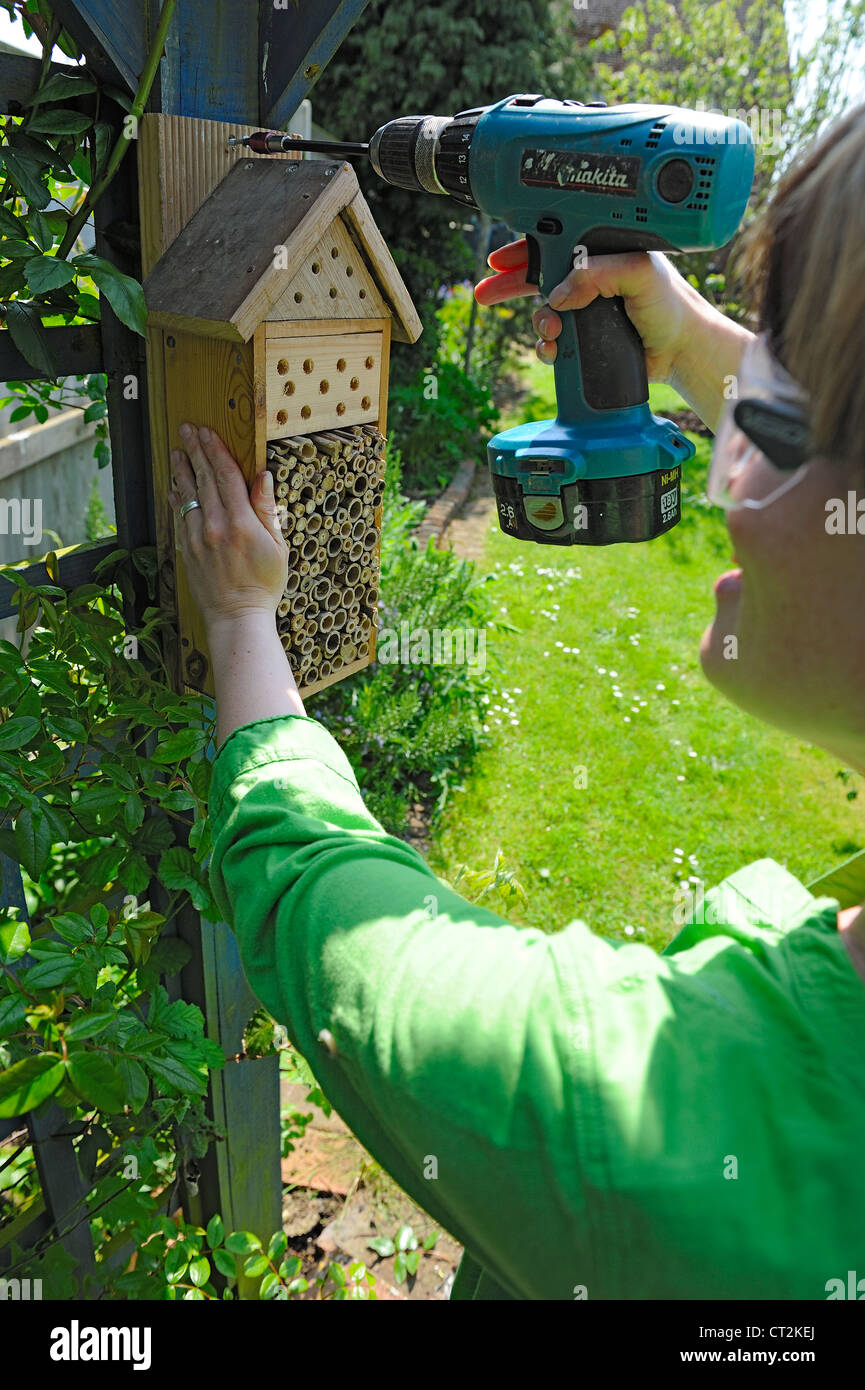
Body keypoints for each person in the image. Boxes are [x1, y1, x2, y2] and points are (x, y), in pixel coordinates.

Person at [167, 105, 865, 1300]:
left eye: (781, 415)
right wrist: (687, 335)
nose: (721, 470)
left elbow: (320, 901)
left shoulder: (625, 1121)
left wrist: (240, 623)